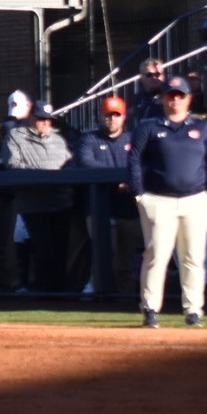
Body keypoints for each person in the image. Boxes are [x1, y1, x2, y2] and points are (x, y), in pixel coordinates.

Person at [127, 75, 207, 328]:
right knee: (156, 255)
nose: (175, 101)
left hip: (196, 200)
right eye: (171, 96)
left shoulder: (203, 128)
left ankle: (193, 311)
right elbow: (134, 160)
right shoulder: (148, 127)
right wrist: (140, 194)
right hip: (158, 200)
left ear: (188, 99)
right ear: (163, 99)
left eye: (180, 96)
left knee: (192, 257)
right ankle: (150, 309)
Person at [0, 104, 74, 292]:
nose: (45, 122)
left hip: (60, 202)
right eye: (41, 118)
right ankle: (41, 292)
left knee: (61, 251)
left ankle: (60, 294)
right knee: (43, 251)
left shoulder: (58, 139)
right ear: (30, 117)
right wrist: (41, 175)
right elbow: (12, 165)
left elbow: (70, 165)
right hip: (32, 203)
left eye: (48, 119)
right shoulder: (15, 136)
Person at [74, 96, 140, 298]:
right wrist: (117, 179)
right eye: (107, 115)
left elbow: (141, 165)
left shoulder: (133, 139)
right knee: (103, 251)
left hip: (128, 208)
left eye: (116, 115)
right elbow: (86, 163)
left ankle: (126, 299)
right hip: (99, 208)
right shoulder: (88, 139)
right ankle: (97, 291)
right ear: (99, 116)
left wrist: (127, 181)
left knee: (126, 258)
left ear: (124, 117)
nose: (111, 119)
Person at [131, 59, 168, 124]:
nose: (154, 77)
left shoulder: (170, 95)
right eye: (149, 75)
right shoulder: (138, 98)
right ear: (141, 78)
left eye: (157, 74)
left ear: (163, 76)